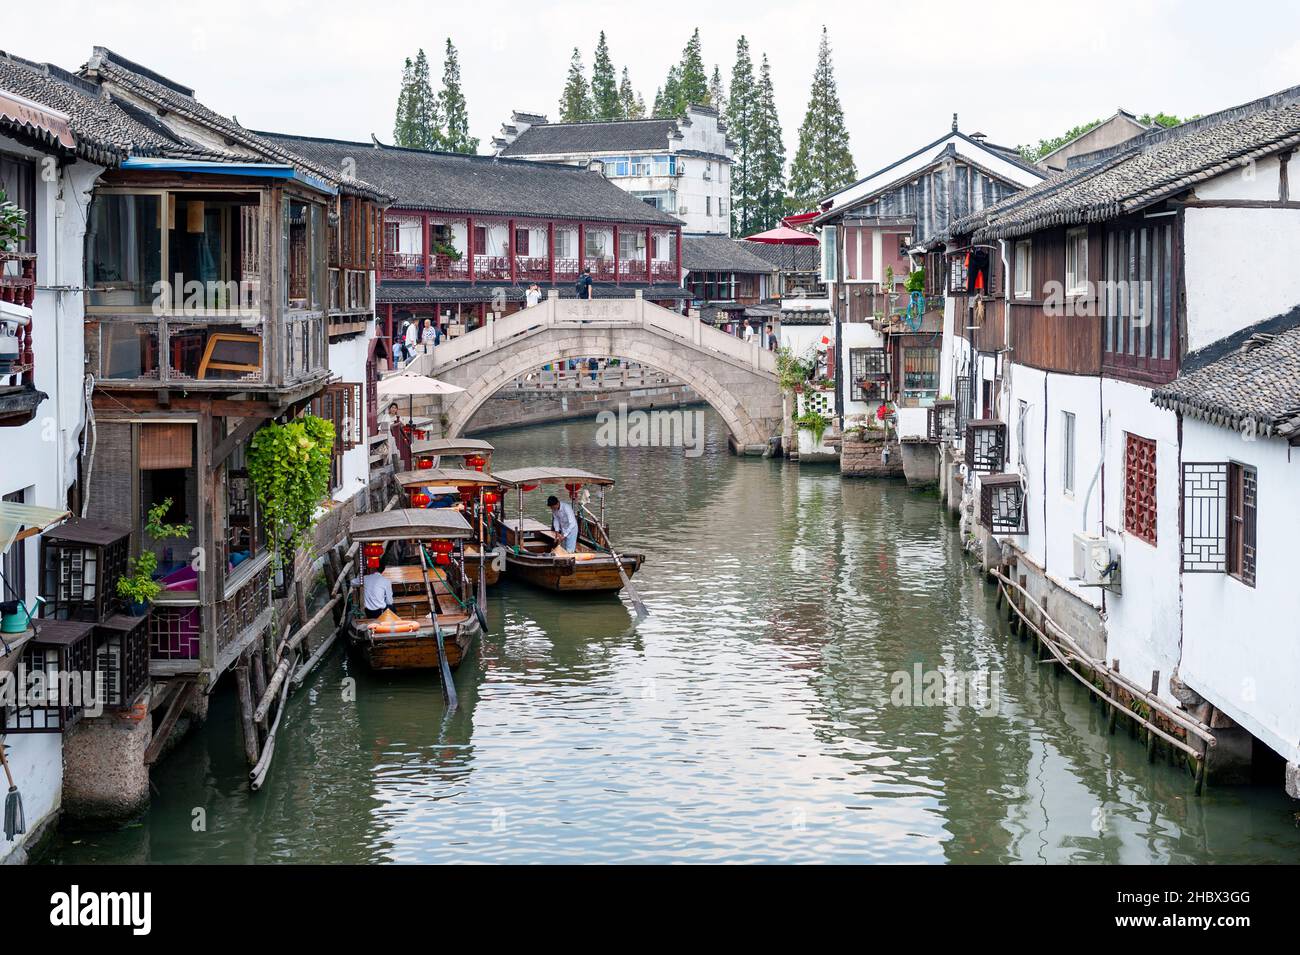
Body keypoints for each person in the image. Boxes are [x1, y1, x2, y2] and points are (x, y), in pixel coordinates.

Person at [361, 555, 395, 619]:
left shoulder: (364, 579)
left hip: (368, 613)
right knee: (392, 608)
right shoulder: (386, 581)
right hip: (380, 612)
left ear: (373, 568)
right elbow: (389, 602)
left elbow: (352, 582)